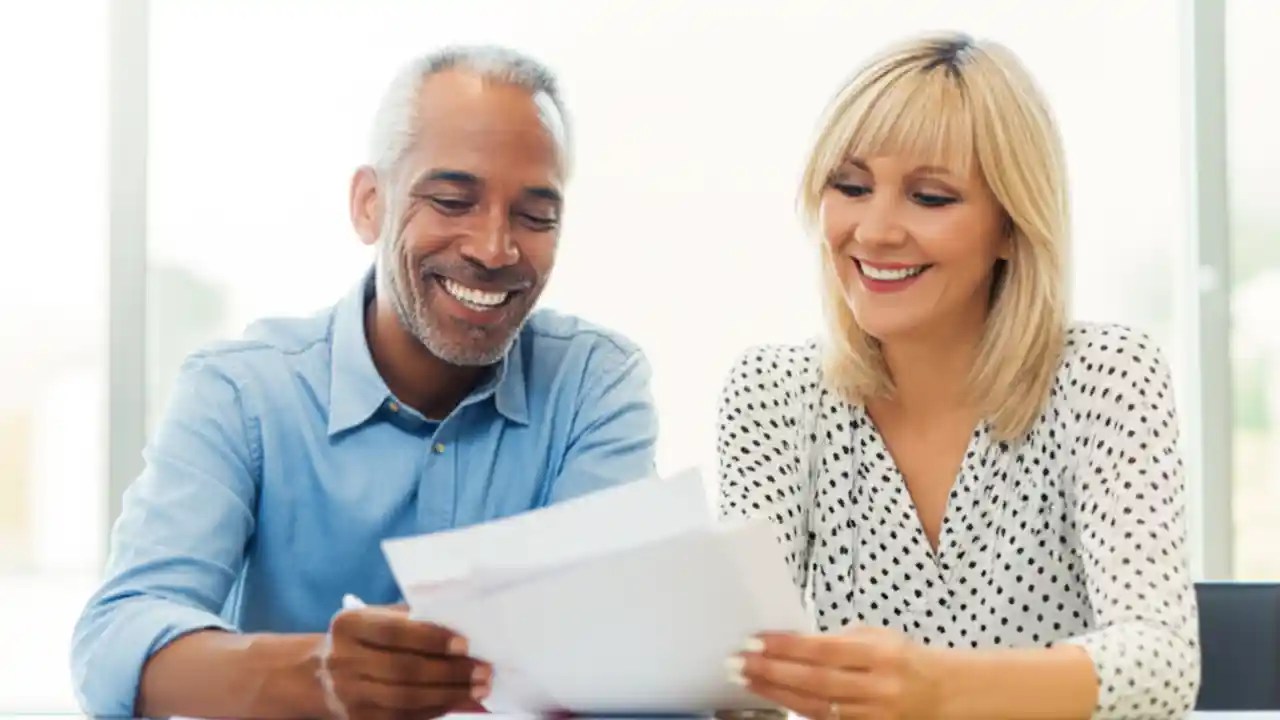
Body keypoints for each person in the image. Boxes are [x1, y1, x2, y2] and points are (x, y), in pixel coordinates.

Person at [72, 46, 658, 719]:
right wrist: (319, 675)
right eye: (451, 200)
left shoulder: (594, 385)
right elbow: (113, 644)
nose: (495, 248)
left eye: (536, 217)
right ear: (369, 205)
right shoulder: (242, 393)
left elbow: (617, 662)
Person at [718, 32, 1199, 719]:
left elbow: (1160, 665)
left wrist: (939, 690)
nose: (876, 231)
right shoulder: (773, 392)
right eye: (851, 187)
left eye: (931, 198)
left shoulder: (1106, 376)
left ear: (1011, 225)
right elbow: (742, 679)